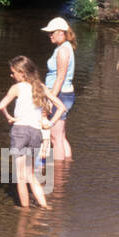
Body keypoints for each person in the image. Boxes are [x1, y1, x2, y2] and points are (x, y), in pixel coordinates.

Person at [0, 56, 66, 208]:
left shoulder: (17, 87)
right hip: (36, 133)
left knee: (21, 177)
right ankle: (45, 206)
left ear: (22, 73)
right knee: (30, 175)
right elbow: (61, 107)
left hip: (20, 131)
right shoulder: (41, 87)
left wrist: (10, 117)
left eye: (13, 72)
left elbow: (1, 106)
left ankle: (25, 210)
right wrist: (50, 123)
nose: (11, 75)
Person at [42, 17, 77, 160]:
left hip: (60, 94)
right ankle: (66, 166)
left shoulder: (63, 50)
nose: (50, 35)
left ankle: (58, 175)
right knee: (61, 136)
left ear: (61, 33)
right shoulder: (63, 47)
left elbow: (60, 78)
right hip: (64, 94)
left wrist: (51, 100)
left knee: (55, 137)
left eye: (52, 32)